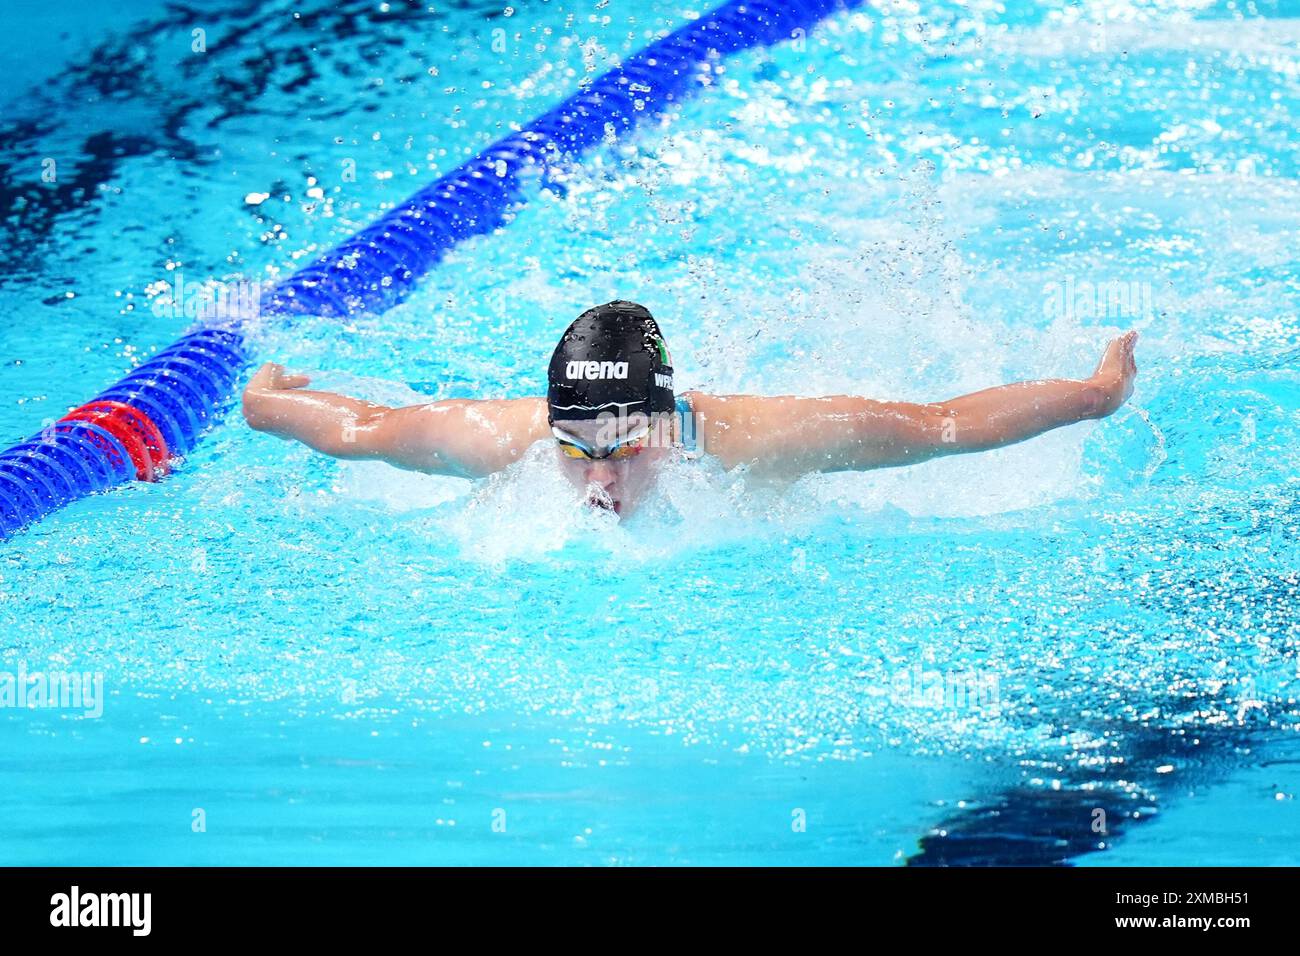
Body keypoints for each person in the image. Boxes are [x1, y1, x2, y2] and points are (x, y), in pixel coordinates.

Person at [242, 300, 1138, 516]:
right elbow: (356, 430)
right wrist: (263, 398)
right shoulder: (496, 442)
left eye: (626, 447)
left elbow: (945, 425)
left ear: (667, 419)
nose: (602, 481)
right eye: (577, 449)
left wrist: (1096, 395)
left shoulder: (759, 441)